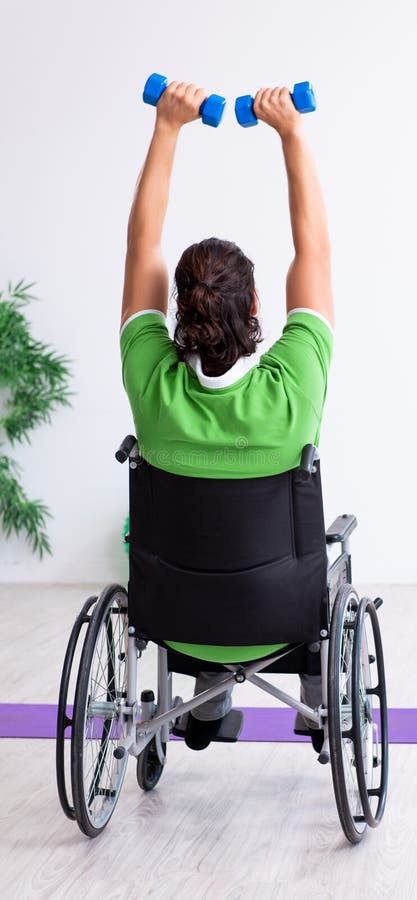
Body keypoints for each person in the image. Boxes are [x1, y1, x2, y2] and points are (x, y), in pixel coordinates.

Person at [120, 81, 334, 751]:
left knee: (206, 550)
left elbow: (141, 250)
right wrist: (291, 134)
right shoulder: (292, 381)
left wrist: (167, 127)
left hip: (172, 618)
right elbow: (316, 256)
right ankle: (315, 699)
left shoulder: (152, 382)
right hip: (282, 618)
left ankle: (205, 708)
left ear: (179, 312)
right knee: (329, 559)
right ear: (254, 307)